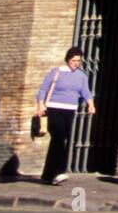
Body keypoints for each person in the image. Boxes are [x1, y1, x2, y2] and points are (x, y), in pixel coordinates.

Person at [35, 47, 95, 186]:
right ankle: (58, 171)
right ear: (68, 60)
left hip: (70, 110)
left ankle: (47, 174)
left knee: (62, 139)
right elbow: (43, 88)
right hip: (54, 108)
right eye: (74, 60)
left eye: (79, 61)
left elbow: (86, 92)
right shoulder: (56, 72)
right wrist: (40, 105)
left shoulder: (81, 76)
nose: (76, 63)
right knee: (58, 137)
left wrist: (90, 104)